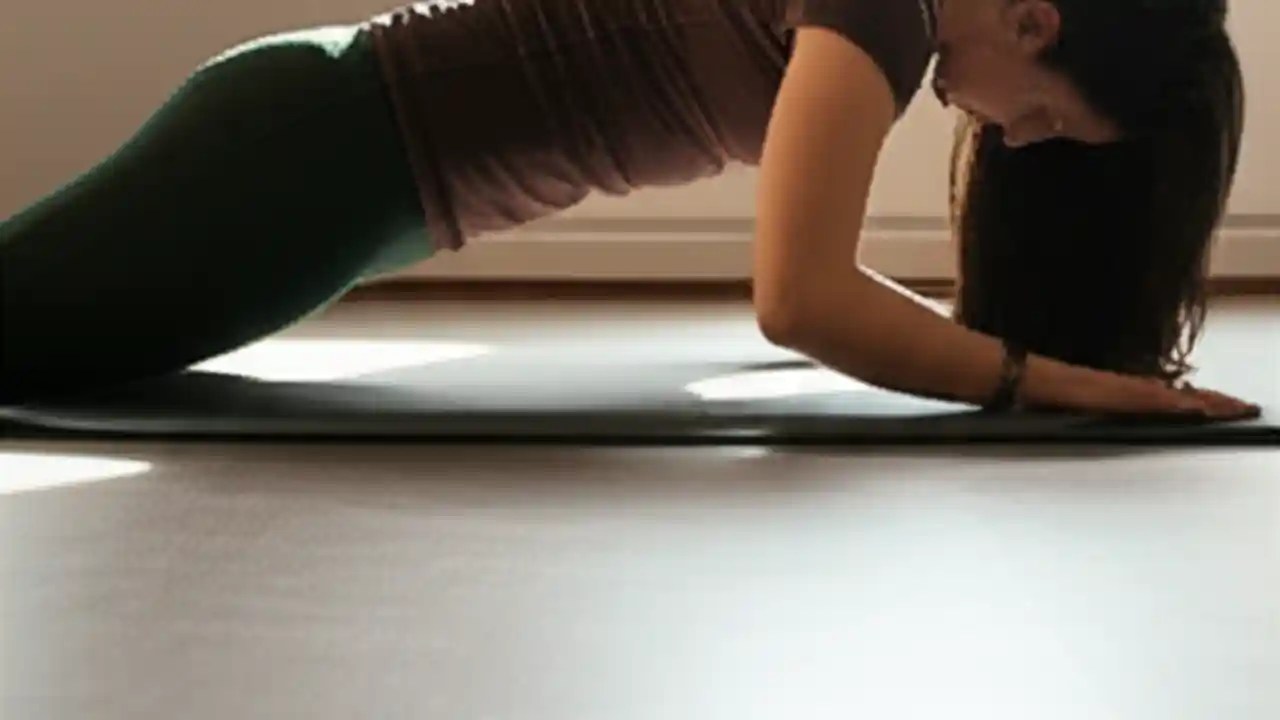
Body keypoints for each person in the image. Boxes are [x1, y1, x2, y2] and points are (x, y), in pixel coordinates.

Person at [0, 0, 1261, 420]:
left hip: (323, 177)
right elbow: (797, 298)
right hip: (298, 157)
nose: (1005, 136)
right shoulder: (880, 13)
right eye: (1041, 117)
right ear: (1035, 23)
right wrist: (1059, 382)